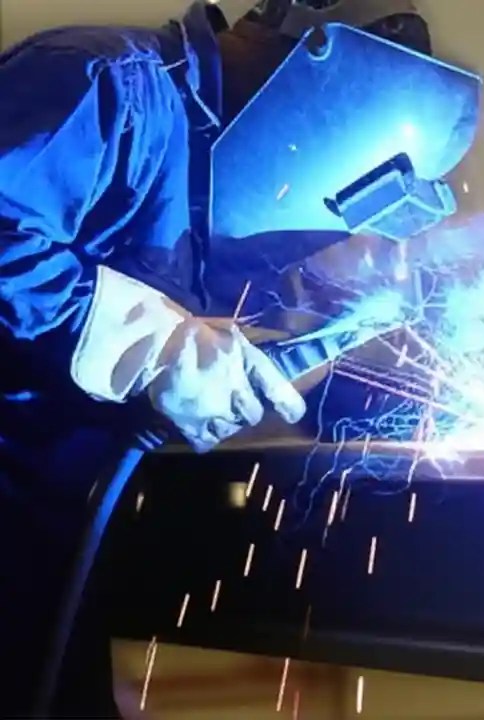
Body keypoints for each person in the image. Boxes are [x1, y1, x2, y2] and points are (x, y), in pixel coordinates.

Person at [0, 1, 453, 715]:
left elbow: (237, 350)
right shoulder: (105, 87)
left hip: (52, 574)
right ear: (306, 62)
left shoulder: (232, 189)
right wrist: (146, 346)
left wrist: (362, 399)